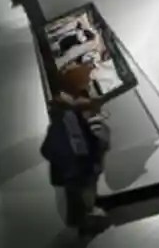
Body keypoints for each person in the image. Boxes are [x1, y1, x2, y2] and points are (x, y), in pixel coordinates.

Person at [41, 64, 111, 236]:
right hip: (78, 171)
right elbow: (81, 147)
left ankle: (82, 217)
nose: (88, 85)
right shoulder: (69, 121)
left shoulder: (63, 111)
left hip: (72, 170)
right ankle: (85, 222)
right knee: (82, 195)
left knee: (78, 196)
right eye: (85, 83)